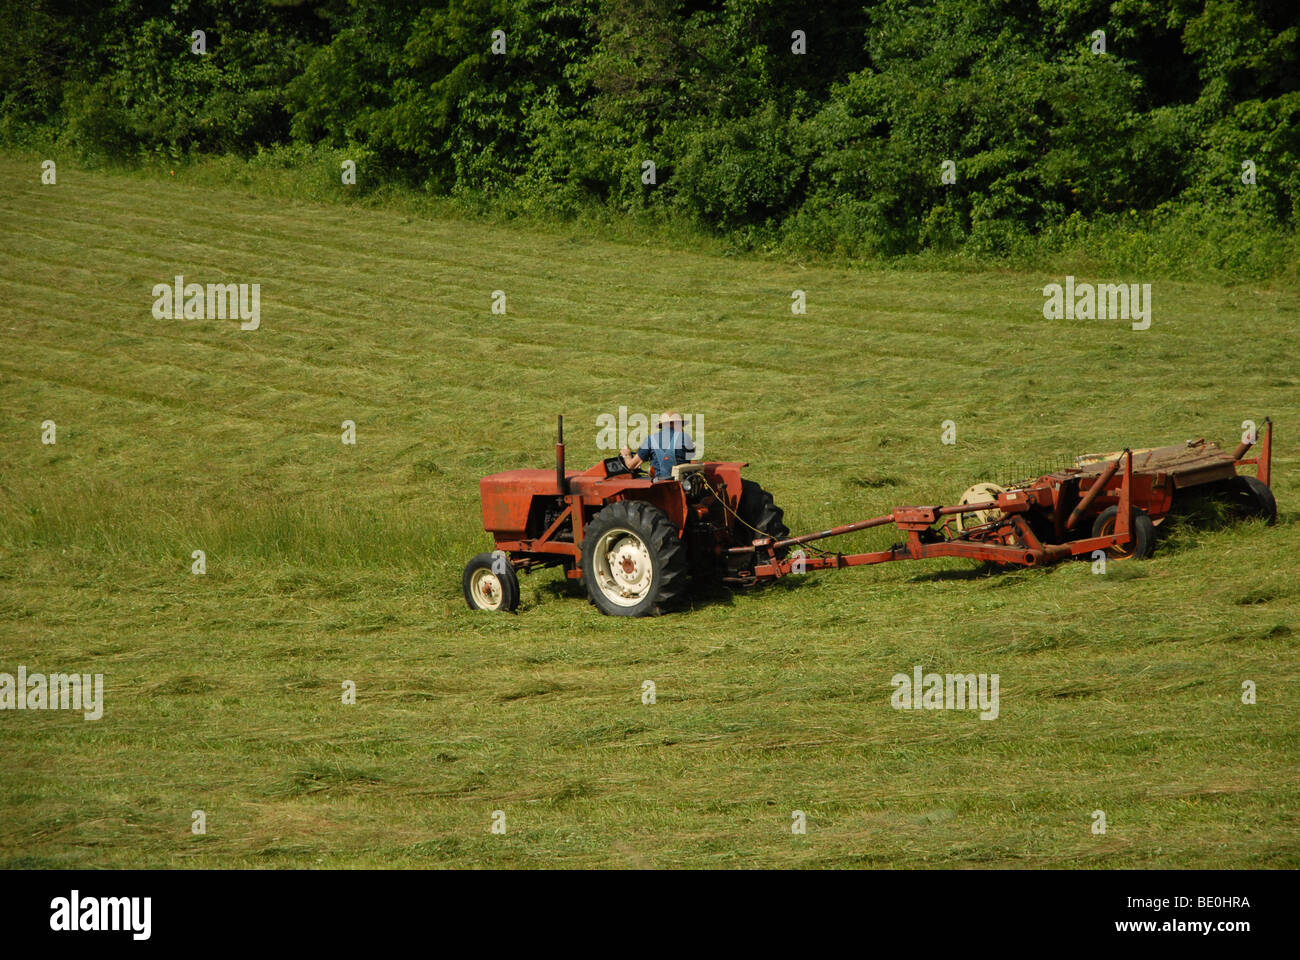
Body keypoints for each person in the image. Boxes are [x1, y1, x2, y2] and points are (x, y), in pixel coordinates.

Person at [621, 411, 695, 480]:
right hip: (684, 482)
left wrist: (626, 455)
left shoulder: (650, 440)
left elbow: (631, 466)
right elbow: (690, 460)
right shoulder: (686, 438)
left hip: (660, 485)